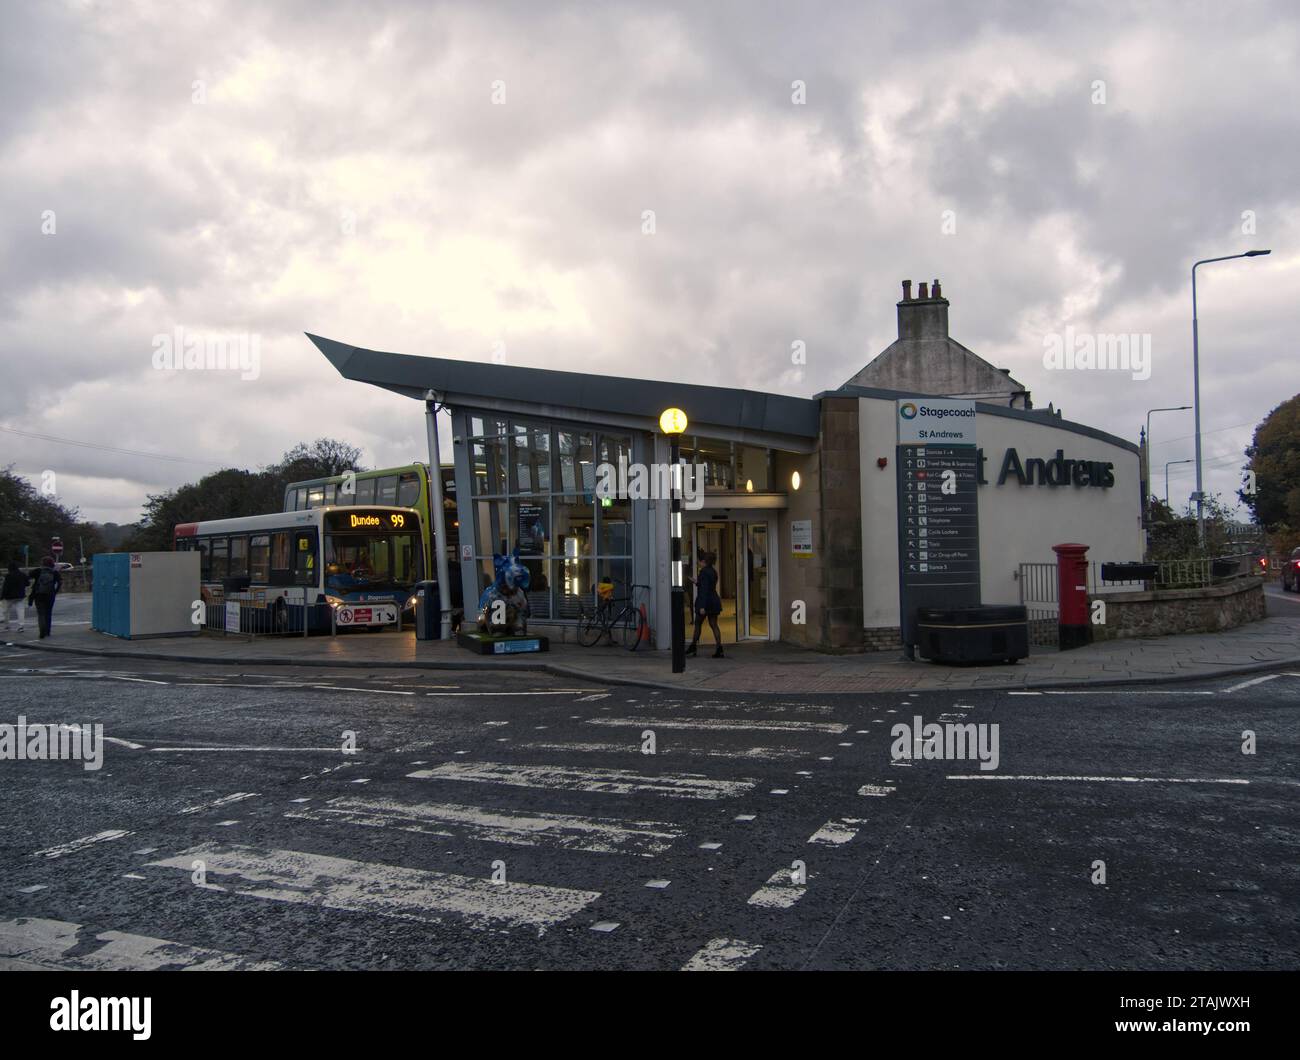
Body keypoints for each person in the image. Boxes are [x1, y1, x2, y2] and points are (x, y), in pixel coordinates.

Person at [685, 551, 724, 658]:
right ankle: (719, 648)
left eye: (701, 561)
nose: (699, 563)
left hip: (706, 601)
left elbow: (704, 590)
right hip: (714, 600)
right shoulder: (713, 571)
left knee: (698, 624)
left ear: (704, 562)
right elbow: (708, 586)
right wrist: (696, 582)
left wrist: (702, 606)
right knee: (714, 625)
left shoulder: (703, 572)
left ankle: (693, 646)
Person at [27, 556, 61, 639]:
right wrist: (55, 592)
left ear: (42, 563)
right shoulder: (54, 572)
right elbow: (60, 582)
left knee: (41, 613)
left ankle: (42, 630)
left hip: (38, 594)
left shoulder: (38, 571)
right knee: (48, 613)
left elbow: (28, 576)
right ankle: (47, 631)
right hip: (50, 594)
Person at [2, 561, 29, 633]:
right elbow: (27, 583)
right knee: (20, 610)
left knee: (6, 611)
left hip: (9, 596)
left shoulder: (8, 575)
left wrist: (2, 596)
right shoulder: (22, 574)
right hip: (20, 595)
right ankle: (21, 626)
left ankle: (7, 625)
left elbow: (5, 587)